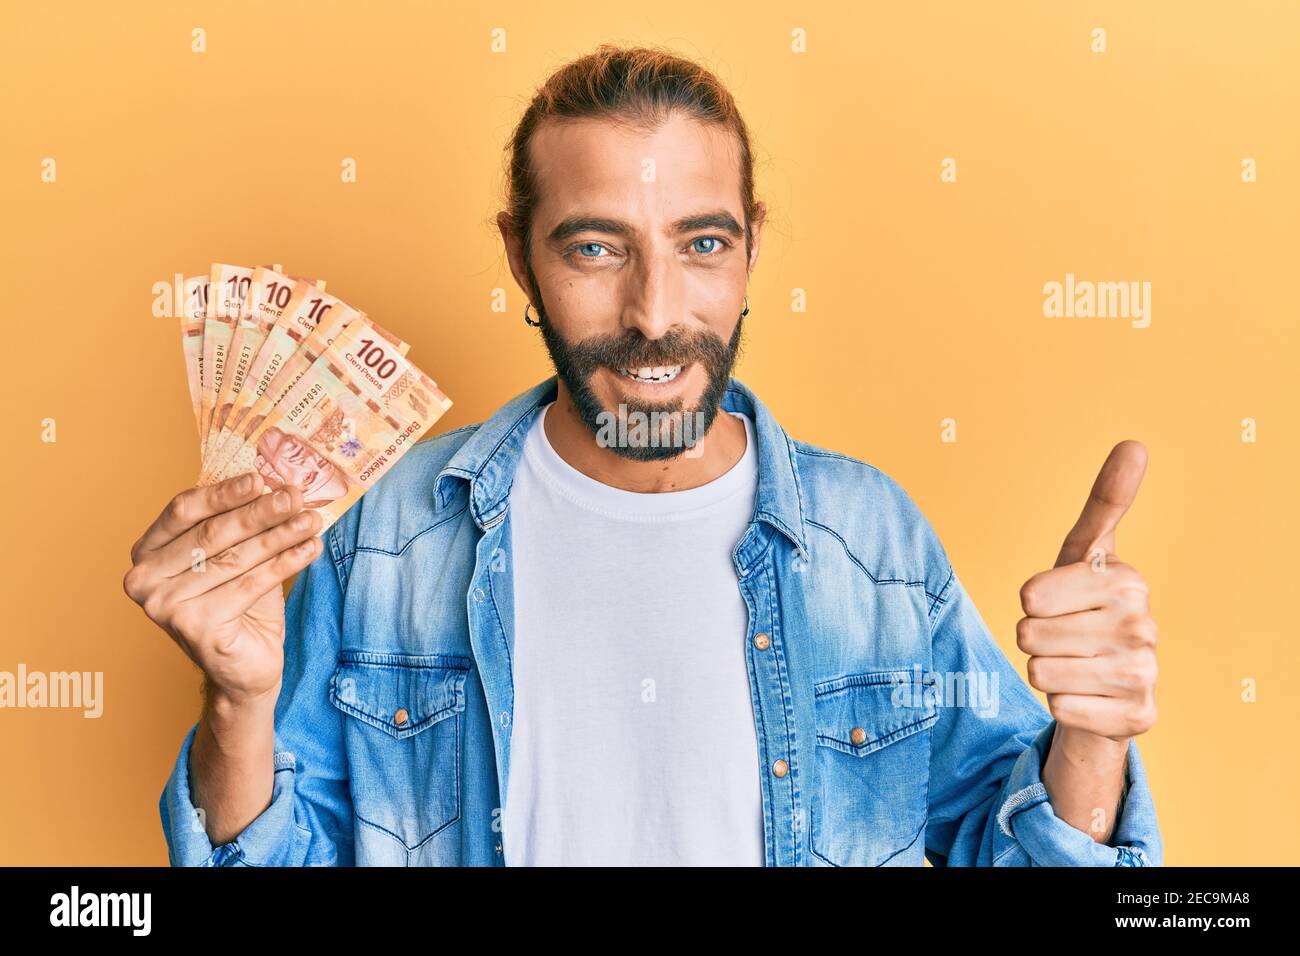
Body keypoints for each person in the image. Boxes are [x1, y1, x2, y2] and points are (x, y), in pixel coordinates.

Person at [124, 44, 1161, 866]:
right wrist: (238, 706)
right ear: (518, 257)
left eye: (701, 244)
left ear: (751, 247)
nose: (655, 314)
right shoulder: (389, 532)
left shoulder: (871, 538)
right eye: (595, 247)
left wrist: (1093, 737)